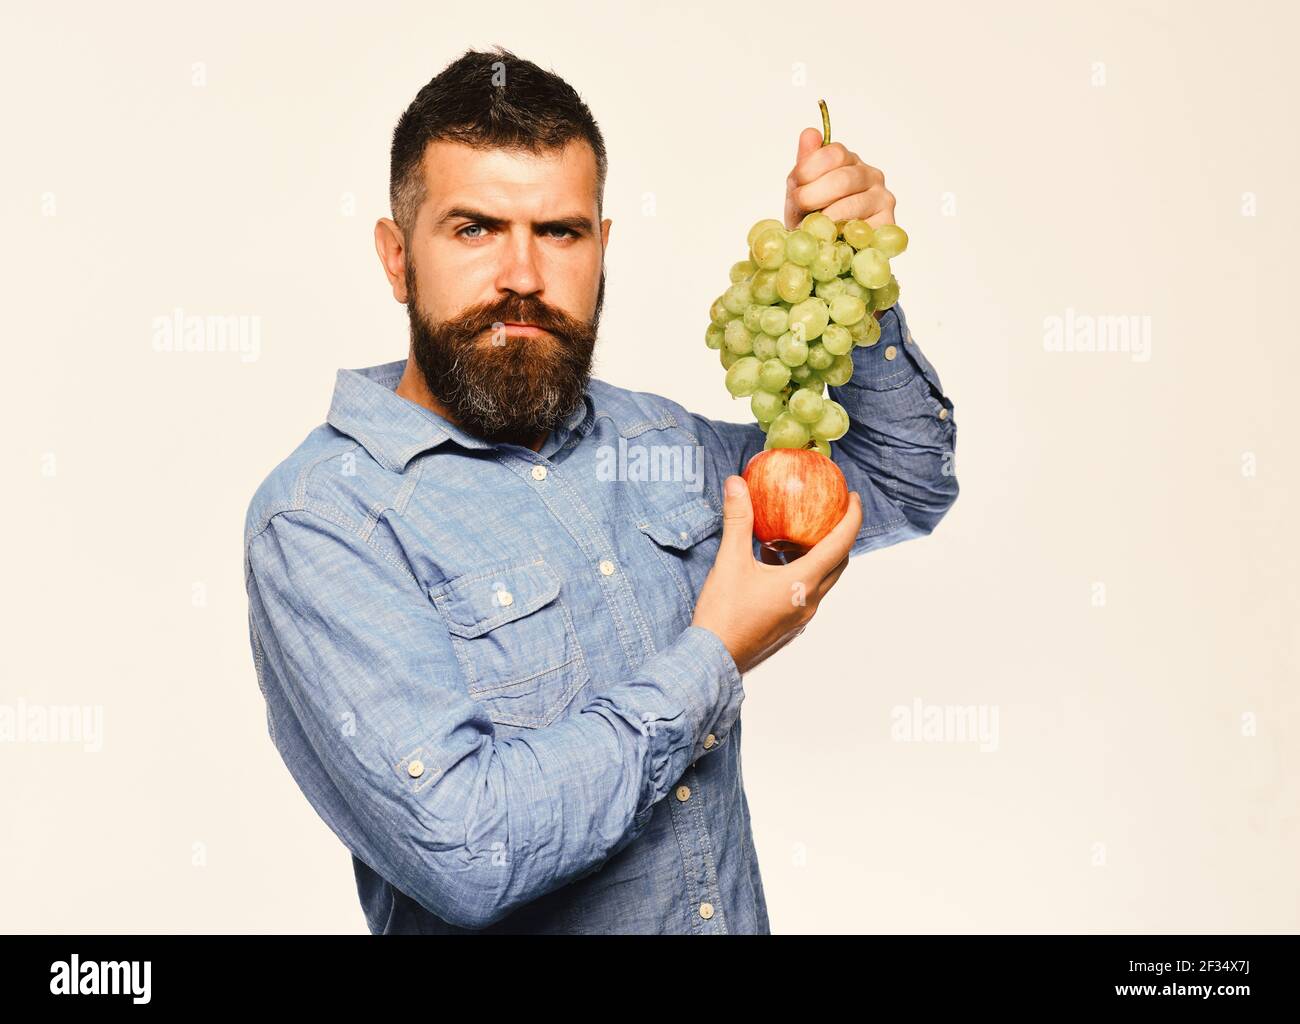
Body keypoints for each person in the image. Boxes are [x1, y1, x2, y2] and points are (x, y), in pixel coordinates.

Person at [243, 46, 959, 934]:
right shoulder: (323, 520)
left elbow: (899, 479)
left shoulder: (657, 444)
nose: (523, 277)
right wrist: (713, 657)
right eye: (474, 229)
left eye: (560, 232)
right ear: (397, 259)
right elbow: (471, 849)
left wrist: (846, 269)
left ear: (603, 248)